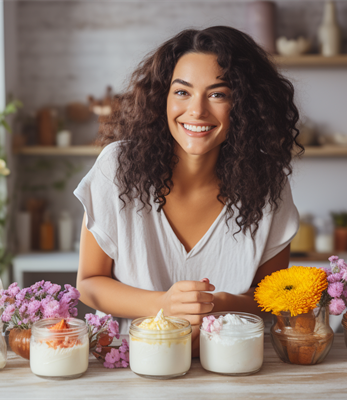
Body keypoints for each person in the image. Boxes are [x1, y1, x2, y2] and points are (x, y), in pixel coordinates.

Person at [74, 26, 301, 354]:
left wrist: (225, 303)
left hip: (235, 366)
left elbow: (272, 297)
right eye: (182, 92)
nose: (197, 111)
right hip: (136, 366)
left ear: (245, 105)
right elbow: (89, 284)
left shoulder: (269, 184)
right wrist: (163, 303)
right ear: (162, 98)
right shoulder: (117, 168)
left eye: (218, 94)